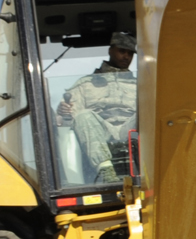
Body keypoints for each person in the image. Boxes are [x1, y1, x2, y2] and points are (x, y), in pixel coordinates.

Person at [58, 31, 138, 182]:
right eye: (122, 51)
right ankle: (106, 171)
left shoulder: (140, 84)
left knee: (146, 112)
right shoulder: (86, 83)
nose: (126, 57)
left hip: (130, 130)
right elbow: (69, 113)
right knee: (83, 115)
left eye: (130, 53)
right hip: (101, 131)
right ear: (110, 50)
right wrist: (63, 111)